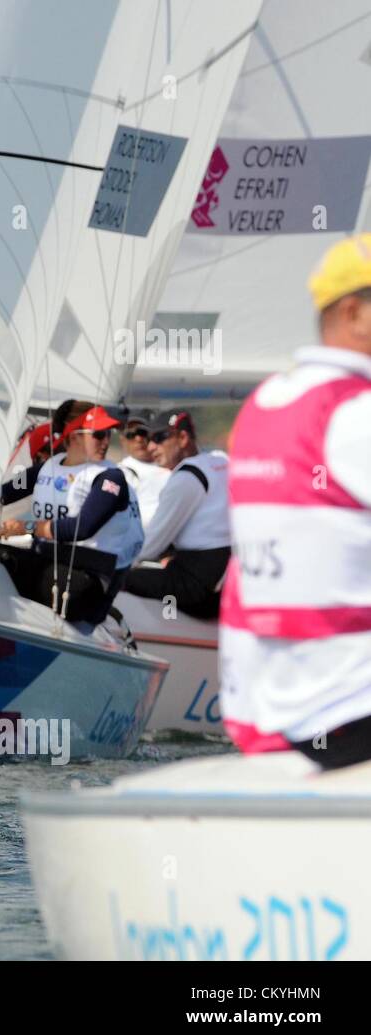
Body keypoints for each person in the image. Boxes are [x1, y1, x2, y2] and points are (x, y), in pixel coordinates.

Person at [220, 234, 371, 769]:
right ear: (354, 313)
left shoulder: (263, 406)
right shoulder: (356, 413)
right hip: (354, 711)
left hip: (278, 714)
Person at [0, 401, 144, 626]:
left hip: (87, 580)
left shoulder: (111, 479)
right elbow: (0, 494)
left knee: (8, 568)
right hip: (51, 564)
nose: (105, 441)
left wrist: (27, 527)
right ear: (74, 436)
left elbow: (81, 529)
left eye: (108, 435)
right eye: (99, 434)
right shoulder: (45, 469)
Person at [122, 408, 230, 619]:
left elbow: (149, 546)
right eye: (150, 438)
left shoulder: (185, 478)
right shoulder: (221, 461)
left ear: (182, 438)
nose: (151, 446)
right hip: (226, 579)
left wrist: (112, 564)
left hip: (199, 588)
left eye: (160, 437)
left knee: (120, 578)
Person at [117, 409, 170, 525]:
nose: (138, 439)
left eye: (142, 432)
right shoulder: (121, 472)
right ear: (122, 440)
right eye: (130, 434)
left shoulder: (172, 463)